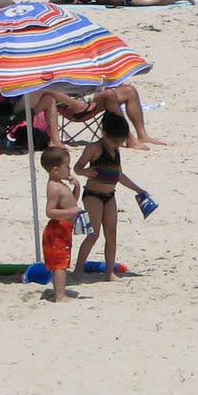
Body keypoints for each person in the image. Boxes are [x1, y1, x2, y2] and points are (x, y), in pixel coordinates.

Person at [74, 112, 146, 282]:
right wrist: (85, 172)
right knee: (94, 234)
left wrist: (138, 189)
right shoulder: (94, 148)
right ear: (104, 134)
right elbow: (77, 168)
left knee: (112, 234)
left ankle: (109, 273)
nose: (118, 144)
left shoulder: (116, 151)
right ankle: (78, 269)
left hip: (109, 196)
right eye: (115, 141)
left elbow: (119, 175)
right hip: (93, 196)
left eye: (120, 142)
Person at [37, 82, 164, 149]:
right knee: (109, 95)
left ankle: (142, 135)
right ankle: (129, 138)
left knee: (129, 91)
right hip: (73, 107)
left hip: (91, 99)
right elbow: (51, 92)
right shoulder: (53, 72)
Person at [40, 147, 82, 303]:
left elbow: (72, 201)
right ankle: (60, 296)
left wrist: (77, 187)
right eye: (67, 166)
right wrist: (70, 211)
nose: (69, 169)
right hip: (57, 229)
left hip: (65, 228)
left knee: (63, 260)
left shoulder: (61, 184)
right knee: (60, 264)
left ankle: (61, 293)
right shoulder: (54, 187)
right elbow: (50, 211)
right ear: (56, 170)